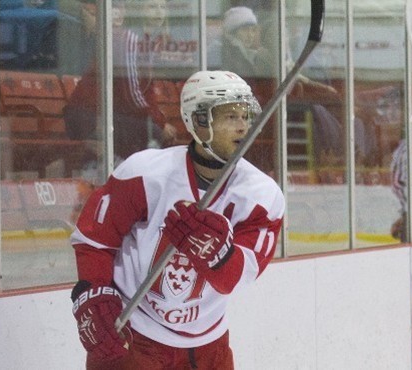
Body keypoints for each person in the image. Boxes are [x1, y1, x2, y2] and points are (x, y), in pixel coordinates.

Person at [69, 70, 285, 369]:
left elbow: (235, 279)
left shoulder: (263, 196)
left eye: (246, 116)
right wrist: (93, 291)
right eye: (230, 117)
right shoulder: (144, 173)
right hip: (135, 335)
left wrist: (220, 257)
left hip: (209, 345)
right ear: (198, 121)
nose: (243, 127)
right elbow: (95, 240)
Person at [64, 0, 176, 175]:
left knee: (151, 128)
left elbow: (147, 89)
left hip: (108, 114)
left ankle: (127, 169)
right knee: (151, 131)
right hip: (87, 115)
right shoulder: (127, 38)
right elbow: (130, 93)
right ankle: (117, 170)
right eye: (152, 6)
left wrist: (158, 120)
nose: (158, 12)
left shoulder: (146, 41)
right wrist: (158, 123)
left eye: (162, 7)